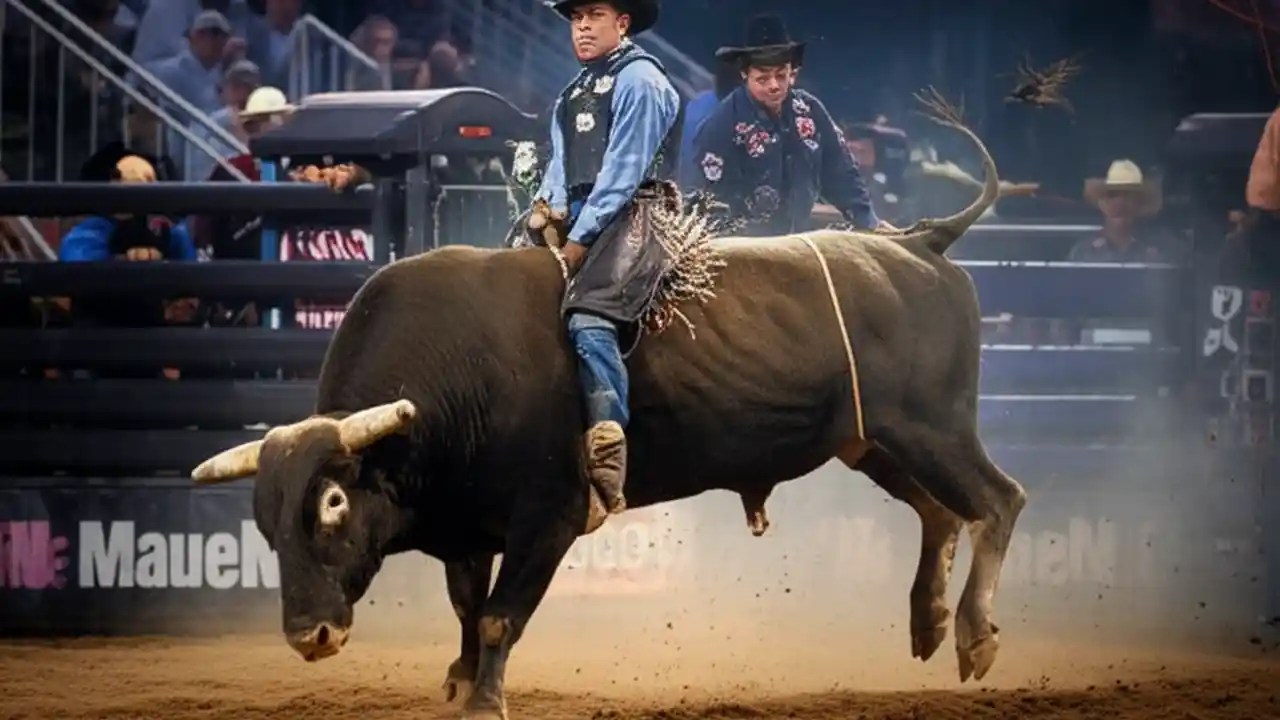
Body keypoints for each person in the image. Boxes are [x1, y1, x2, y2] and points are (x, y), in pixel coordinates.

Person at [530, 0, 681, 518]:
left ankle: (608, 450)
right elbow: (559, 164)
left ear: (622, 22)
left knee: (591, 318)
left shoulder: (641, 81)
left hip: (638, 214)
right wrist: (546, 212)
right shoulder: (571, 92)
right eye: (576, 18)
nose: (583, 27)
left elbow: (624, 171)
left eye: (594, 15)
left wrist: (579, 238)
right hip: (587, 215)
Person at [690, 14, 886, 235]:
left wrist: (867, 223)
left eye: (781, 76)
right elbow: (705, 198)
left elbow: (841, 173)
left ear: (793, 74)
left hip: (796, 243)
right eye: (763, 78)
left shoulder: (810, 111)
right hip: (740, 248)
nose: (774, 85)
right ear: (745, 74)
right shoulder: (721, 125)